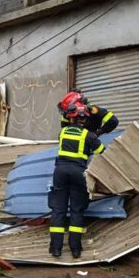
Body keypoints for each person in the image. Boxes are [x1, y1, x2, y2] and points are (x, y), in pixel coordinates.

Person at [49, 103, 105, 259]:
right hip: (78, 173)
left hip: (60, 172)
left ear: (70, 118)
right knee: (77, 210)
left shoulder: (62, 133)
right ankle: (75, 249)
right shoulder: (89, 136)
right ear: (85, 119)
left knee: (58, 210)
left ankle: (56, 249)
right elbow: (101, 151)